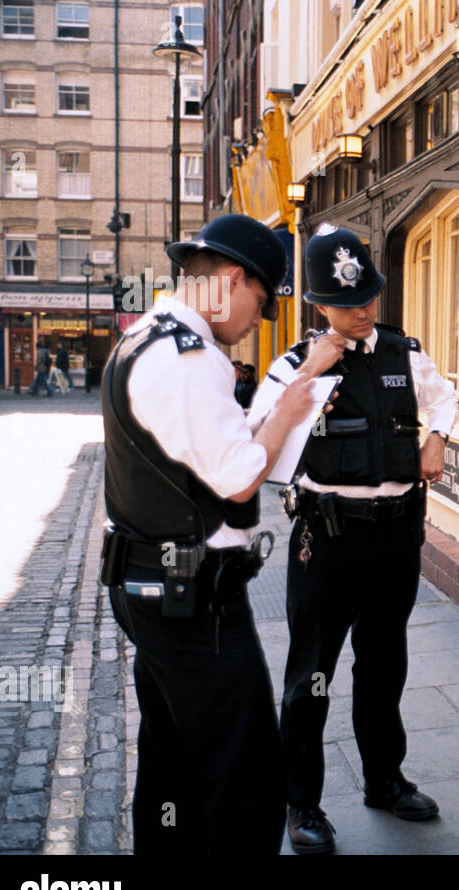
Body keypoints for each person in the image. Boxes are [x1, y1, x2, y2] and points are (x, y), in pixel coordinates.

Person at [99, 213, 345, 854]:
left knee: (172, 757)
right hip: (192, 603)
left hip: (154, 586)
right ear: (233, 280)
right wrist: (289, 409)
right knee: (245, 772)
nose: (257, 322)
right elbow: (238, 479)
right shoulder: (189, 357)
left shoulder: (146, 335)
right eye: (261, 303)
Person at [265, 224, 457, 854]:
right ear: (320, 304)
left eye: (369, 298)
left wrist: (436, 438)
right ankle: (304, 804)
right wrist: (310, 376)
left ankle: (385, 780)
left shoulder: (405, 353)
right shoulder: (296, 364)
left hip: (396, 539)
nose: (362, 311)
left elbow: (446, 396)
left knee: (384, 665)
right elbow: (257, 437)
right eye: (347, 304)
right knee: (311, 675)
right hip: (327, 541)